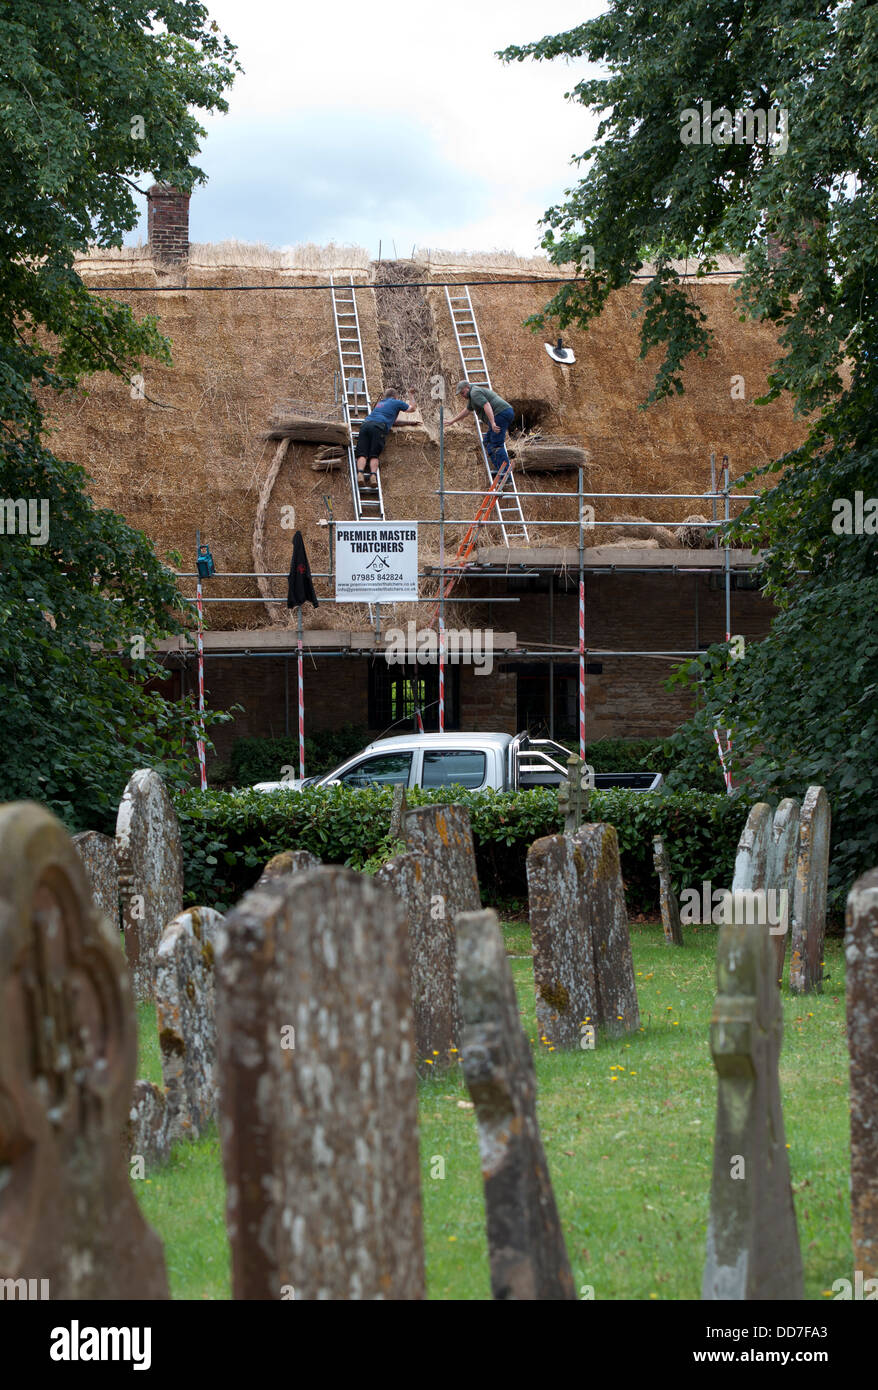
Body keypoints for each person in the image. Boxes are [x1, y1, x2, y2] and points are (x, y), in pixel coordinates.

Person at [448, 381, 515, 481]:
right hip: (504, 413)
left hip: (501, 414)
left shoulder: (474, 393)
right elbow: (467, 411)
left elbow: (486, 405)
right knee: (487, 441)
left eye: (462, 393)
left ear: (467, 387)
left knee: (496, 445)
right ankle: (501, 471)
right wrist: (452, 421)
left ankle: (505, 475)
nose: (462, 396)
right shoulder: (472, 396)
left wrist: (492, 423)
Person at [354, 390, 416, 487]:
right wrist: (411, 395)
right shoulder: (396, 402)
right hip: (378, 427)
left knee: (362, 453)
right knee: (374, 455)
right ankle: (373, 477)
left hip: (366, 424)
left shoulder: (381, 403)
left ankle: (360, 474)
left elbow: (394, 422)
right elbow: (412, 409)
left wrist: (410, 423)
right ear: (395, 396)